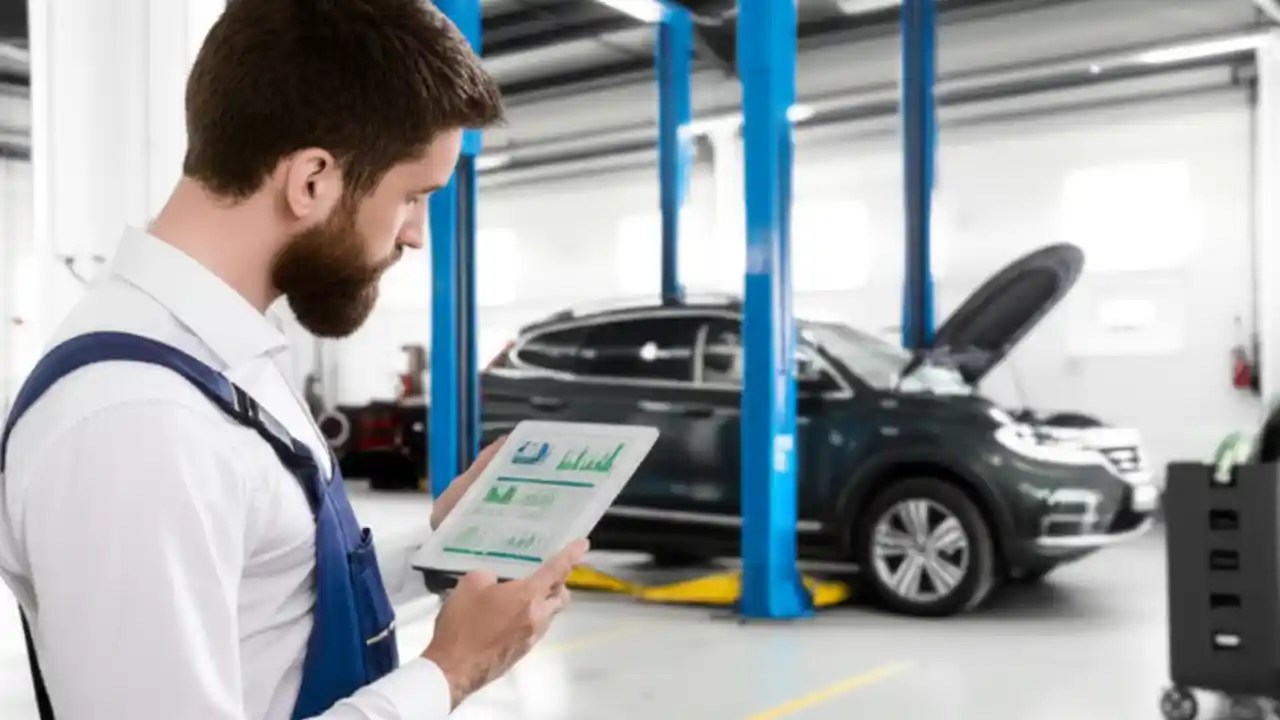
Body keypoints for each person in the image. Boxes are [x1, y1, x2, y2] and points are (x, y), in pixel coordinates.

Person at [0, 1, 588, 718]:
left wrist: (444, 546)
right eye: (413, 197)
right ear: (312, 179)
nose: (415, 237)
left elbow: (277, 590)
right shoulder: (139, 423)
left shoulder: (219, 357)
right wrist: (450, 672)